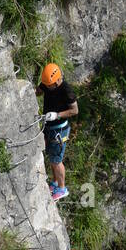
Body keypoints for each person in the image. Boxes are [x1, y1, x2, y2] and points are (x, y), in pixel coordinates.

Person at [39, 63, 78, 201]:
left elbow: (74, 110)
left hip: (60, 129)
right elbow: (39, 90)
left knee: (57, 160)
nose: (47, 88)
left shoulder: (66, 91)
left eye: (49, 85)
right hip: (49, 126)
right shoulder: (47, 82)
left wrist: (57, 115)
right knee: (51, 156)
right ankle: (55, 183)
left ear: (57, 81)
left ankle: (62, 188)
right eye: (46, 85)